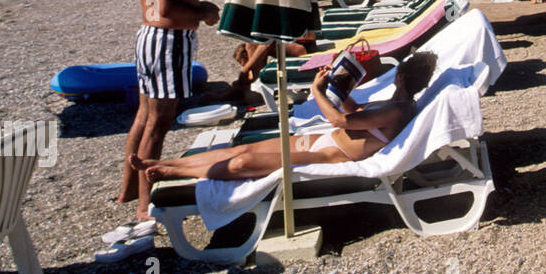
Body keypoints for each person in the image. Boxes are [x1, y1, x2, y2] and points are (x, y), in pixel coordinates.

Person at [130, 51, 438, 182]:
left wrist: (318, 92)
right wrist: (341, 88)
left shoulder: (399, 109)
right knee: (243, 150)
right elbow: (356, 112)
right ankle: (162, 163)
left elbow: (342, 121)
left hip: (331, 154)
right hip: (322, 141)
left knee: (242, 164)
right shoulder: (396, 102)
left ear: (399, 76)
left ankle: (173, 173)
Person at [113, 0, 219, 232]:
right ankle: (145, 206)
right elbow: (162, 8)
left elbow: (153, 7)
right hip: (166, 40)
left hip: (152, 40)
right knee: (159, 122)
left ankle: (129, 189)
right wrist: (203, 12)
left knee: (145, 116)